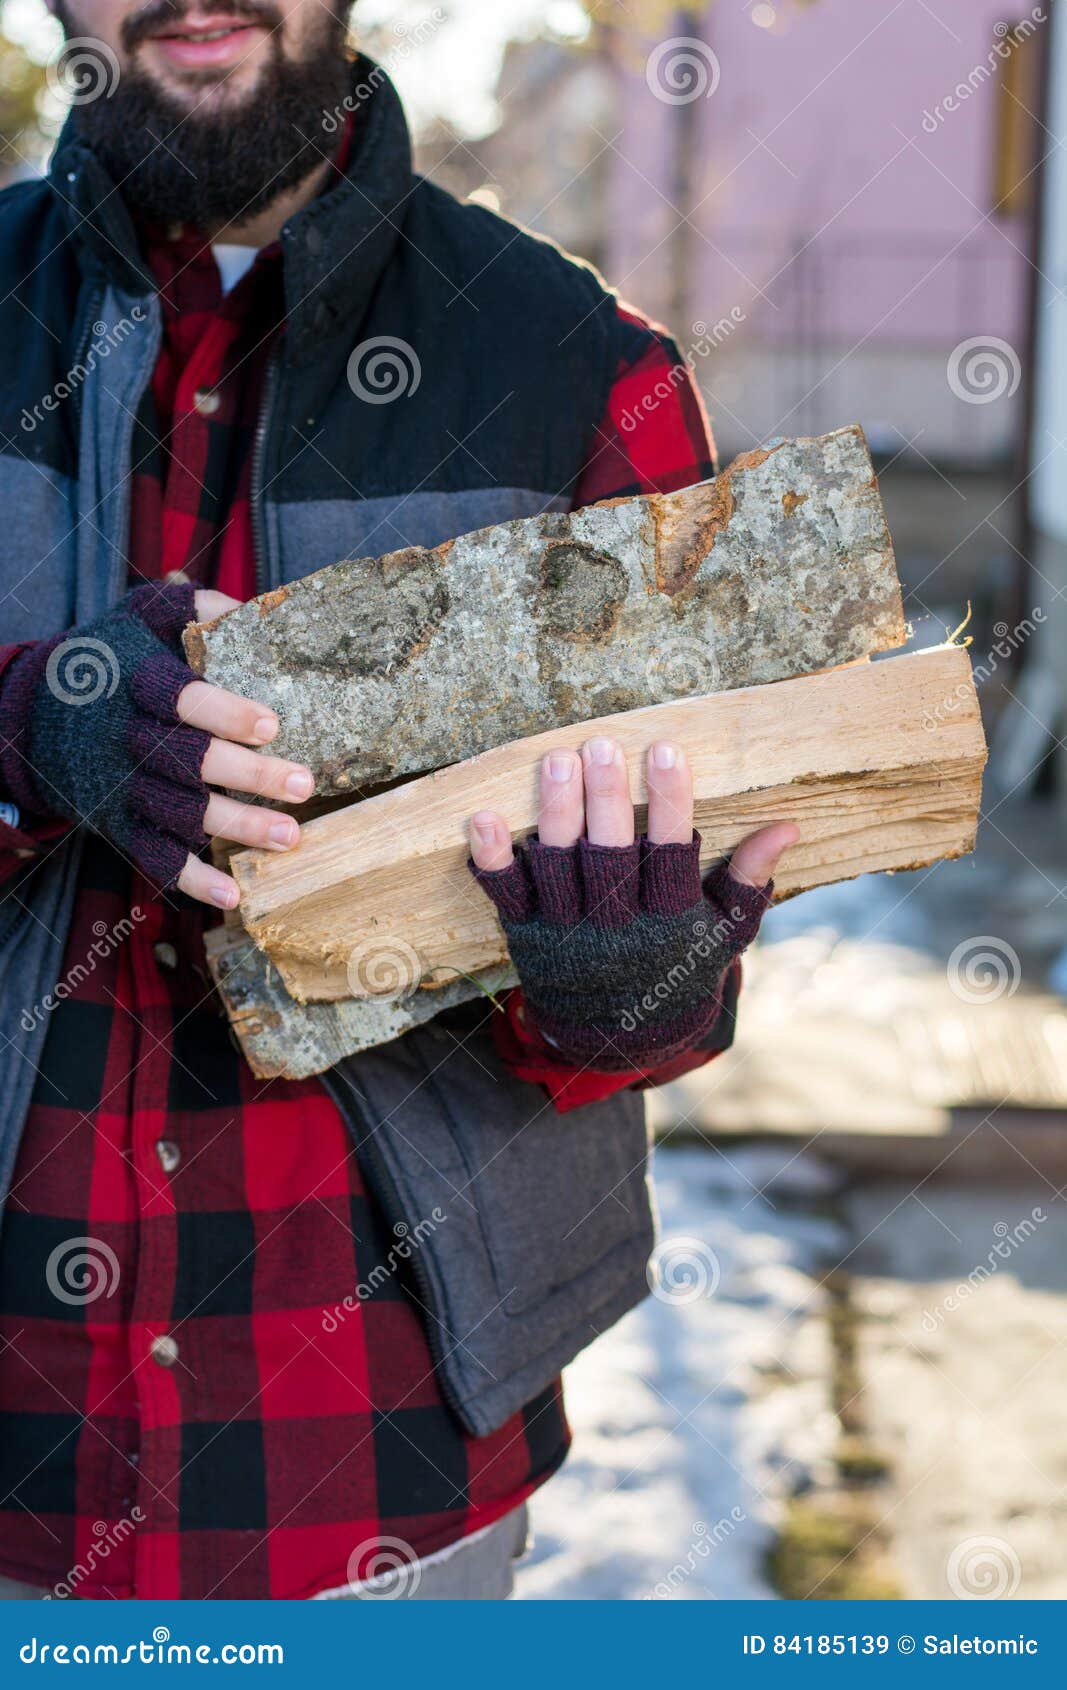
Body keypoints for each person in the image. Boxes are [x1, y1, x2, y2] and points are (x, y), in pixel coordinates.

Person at [0, 0, 796, 1600]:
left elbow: (667, 980)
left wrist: (622, 983)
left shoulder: (587, 374)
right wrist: (31, 732)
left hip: (376, 1480)